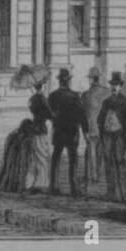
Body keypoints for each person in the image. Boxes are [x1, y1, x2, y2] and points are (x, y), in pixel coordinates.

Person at [0, 82, 53, 193]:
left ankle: (29, 183)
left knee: (34, 159)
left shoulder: (33, 99)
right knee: (43, 158)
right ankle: (41, 183)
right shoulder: (42, 99)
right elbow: (49, 114)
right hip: (41, 129)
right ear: (42, 87)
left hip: (35, 127)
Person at [98, 72, 126, 204]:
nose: (114, 87)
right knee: (109, 162)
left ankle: (124, 194)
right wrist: (102, 132)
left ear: (121, 86)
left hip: (119, 135)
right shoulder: (106, 102)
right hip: (108, 135)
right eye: (112, 85)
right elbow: (100, 119)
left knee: (120, 163)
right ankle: (111, 192)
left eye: (116, 85)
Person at [48, 68, 87, 197]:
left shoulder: (53, 96)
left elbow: (49, 114)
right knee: (73, 159)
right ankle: (74, 189)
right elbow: (82, 114)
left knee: (56, 158)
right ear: (68, 81)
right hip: (72, 132)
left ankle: (53, 186)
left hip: (59, 131)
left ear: (60, 81)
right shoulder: (75, 96)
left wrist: (55, 119)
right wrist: (85, 130)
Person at [81, 67, 110, 187]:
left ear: (92, 80)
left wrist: (84, 130)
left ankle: (93, 176)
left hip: (91, 127)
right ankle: (97, 173)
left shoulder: (86, 95)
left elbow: (82, 113)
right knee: (100, 152)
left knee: (91, 152)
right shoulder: (107, 92)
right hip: (104, 127)